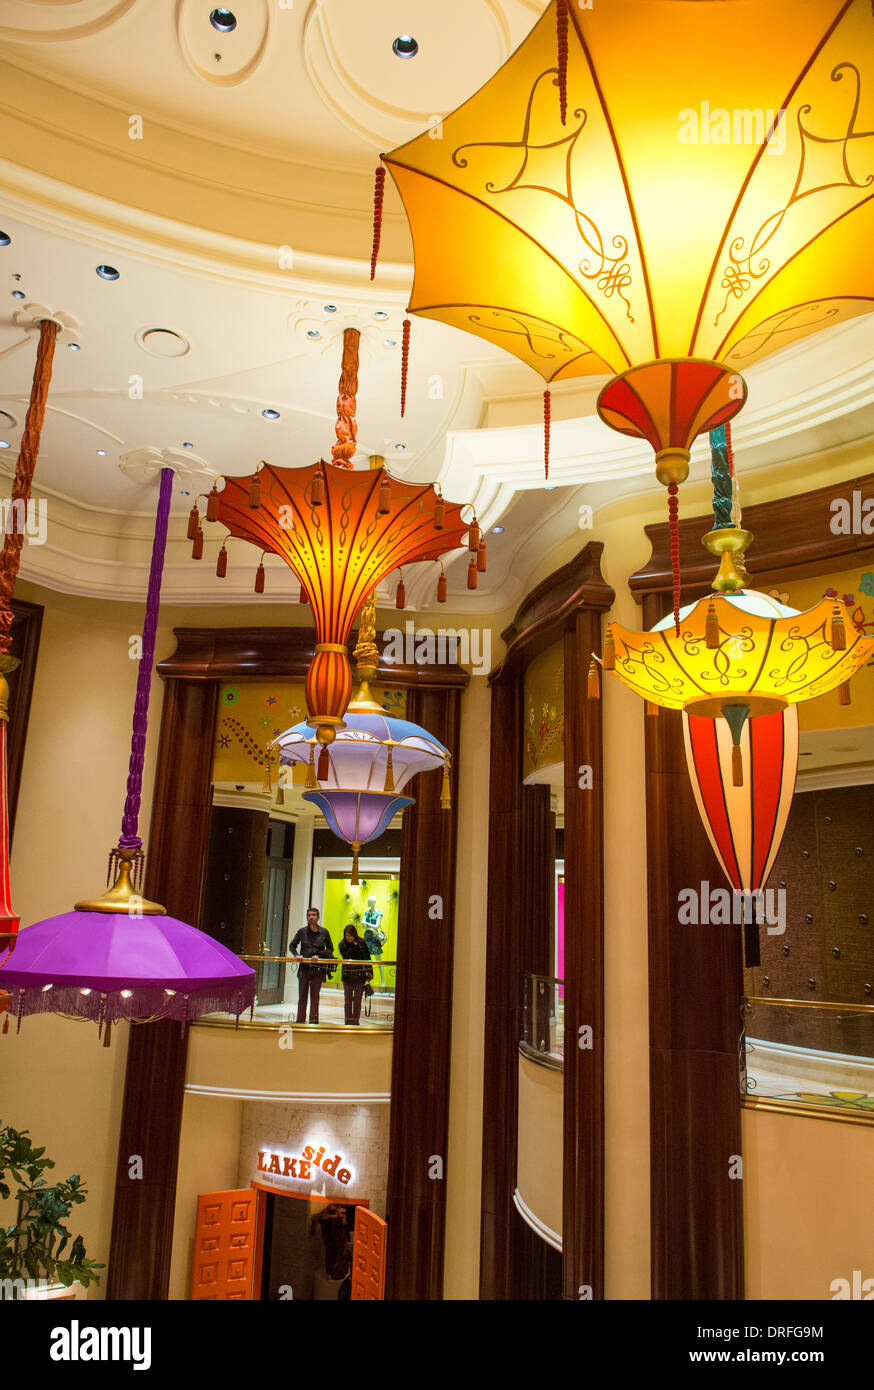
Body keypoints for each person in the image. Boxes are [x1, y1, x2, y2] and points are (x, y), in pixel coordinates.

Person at [289, 907, 334, 1024]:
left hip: (317, 969)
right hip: (304, 968)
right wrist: (296, 955)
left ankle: (313, 1021)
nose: (311, 917)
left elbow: (330, 949)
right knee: (302, 997)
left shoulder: (324, 932)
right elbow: (292, 945)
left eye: (314, 915)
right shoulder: (301, 931)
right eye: (309, 915)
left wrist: (319, 956)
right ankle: (300, 1021)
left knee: (315, 997)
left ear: (318, 917)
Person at [338, 924, 372, 1026]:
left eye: (350, 935)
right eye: (347, 935)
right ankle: (348, 1021)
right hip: (347, 976)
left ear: (354, 934)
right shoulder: (342, 944)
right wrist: (354, 946)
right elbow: (346, 956)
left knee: (357, 1001)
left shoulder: (362, 943)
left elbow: (367, 958)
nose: (349, 938)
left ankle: (355, 1021)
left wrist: (369, 974)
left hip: (359, 977)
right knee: (348, 1001)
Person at [362, 896, 387, 987]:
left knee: (378, 960)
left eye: (370, 901)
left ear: (373, 902)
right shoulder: (366, 912)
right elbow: (363, 925)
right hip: (367, 936)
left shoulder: (378, 913)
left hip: (374, 937)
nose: (368, 903)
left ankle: (383, 981)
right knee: (366, 960)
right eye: (368, 901)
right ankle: (367, 980)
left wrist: (368, 925)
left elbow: (376, 926)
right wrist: (370, 927)